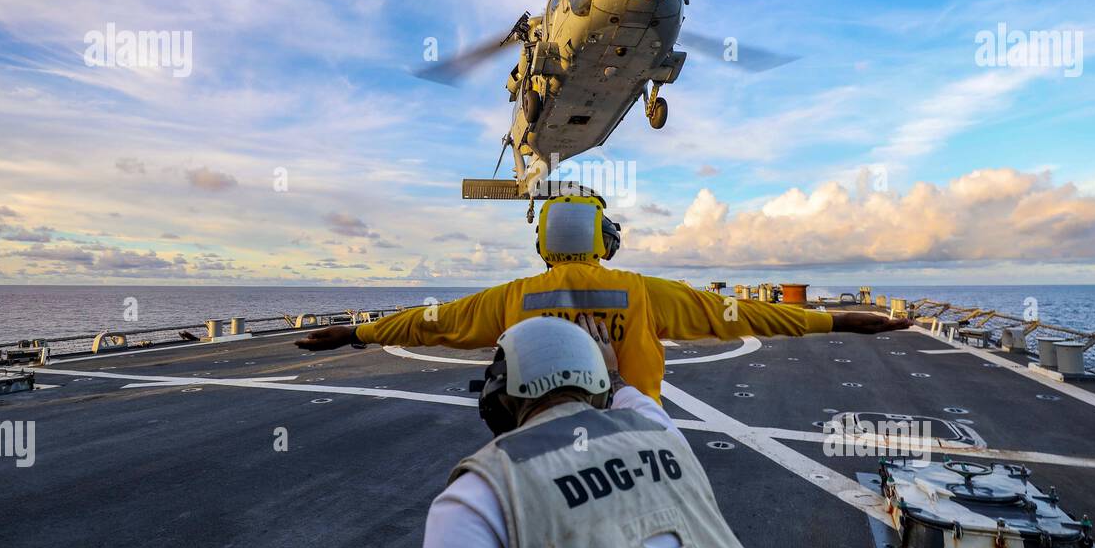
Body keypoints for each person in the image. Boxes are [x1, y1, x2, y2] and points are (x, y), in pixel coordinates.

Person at [295, 194, 910, 402]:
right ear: (604, 240)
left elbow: (431, 323)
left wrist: (356, 334)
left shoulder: (512, 300)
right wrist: (839, 320)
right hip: (633, 441)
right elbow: (749, 315)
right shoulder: (643, 293)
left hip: (533, 443)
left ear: (543, 243)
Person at [409, 314, 783, 548]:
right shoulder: (666, 439)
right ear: (601, 387)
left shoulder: (481, 495)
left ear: (499, 395)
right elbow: (639, 405)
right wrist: (614, 373)